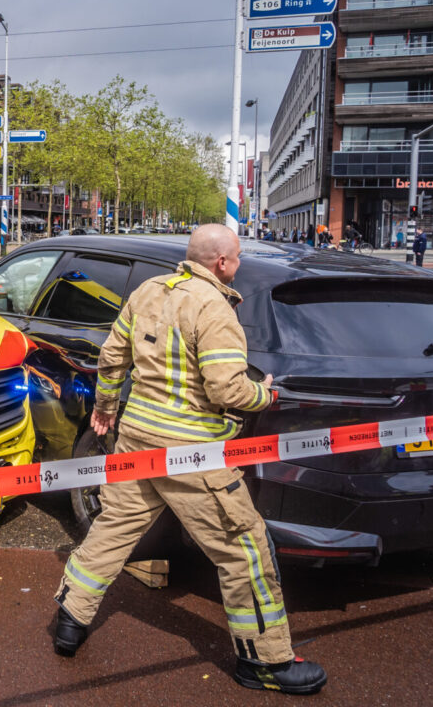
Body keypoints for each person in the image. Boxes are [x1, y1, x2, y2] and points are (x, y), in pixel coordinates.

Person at [51, 223, 327, 696]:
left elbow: (113, 354)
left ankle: (69, 619)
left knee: (115, 526)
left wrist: (106, 408)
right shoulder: (214, 307)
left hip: (137, 440)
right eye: (236, 257)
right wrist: (266, 395)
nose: (237, 265)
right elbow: (226, 388)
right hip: (191, 452)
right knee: (244, 548)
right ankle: (265, 662)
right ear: (221, 263)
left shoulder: (149, 290)